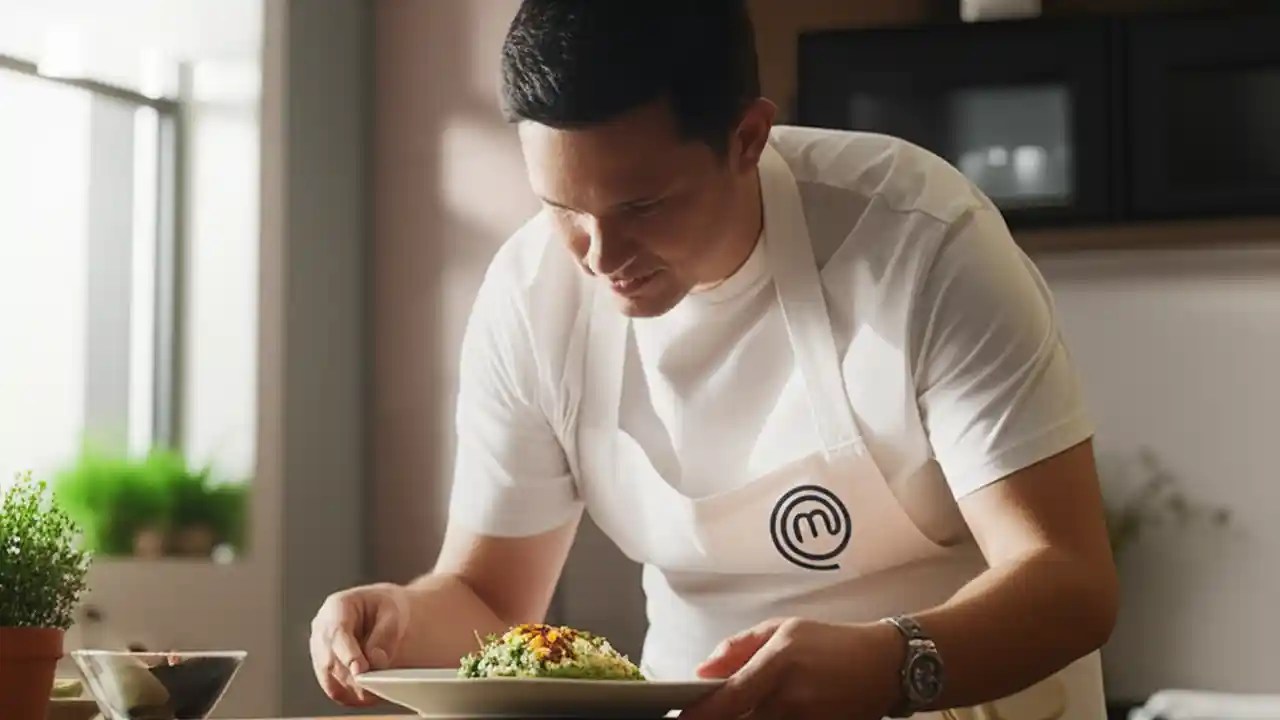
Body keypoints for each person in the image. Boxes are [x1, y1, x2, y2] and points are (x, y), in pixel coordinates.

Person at [309, 1, 1119, 718]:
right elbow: (488, 597)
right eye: (562, 208)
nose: (599, 253)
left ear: (747, 138)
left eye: (642, 206)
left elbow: (1068, 579)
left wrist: (884, 663)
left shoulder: (919, 240)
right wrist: (404, 619)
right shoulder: (532, 295)